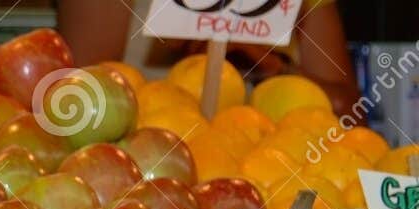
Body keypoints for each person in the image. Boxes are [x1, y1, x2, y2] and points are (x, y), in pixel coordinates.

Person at [57, 0, 362, 116]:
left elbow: (350, 112)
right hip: (151, 182)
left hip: (277, 183)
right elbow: (78, 103)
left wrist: (271, 67)